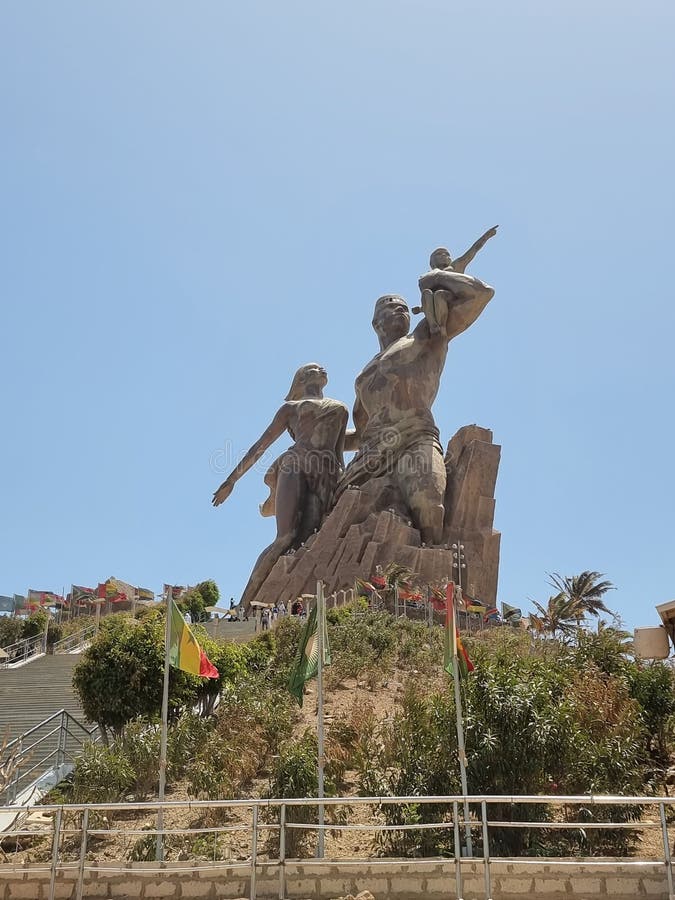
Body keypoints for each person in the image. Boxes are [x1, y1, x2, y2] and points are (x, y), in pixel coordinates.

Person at [338, 266, 495, 546]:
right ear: (376, 323)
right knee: (335, 520)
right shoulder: (363, 376)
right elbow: (360, 433)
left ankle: (433, 579)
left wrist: (434, 278)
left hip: (416, 438)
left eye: (404, 308)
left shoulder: (428, 334)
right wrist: (319, 445)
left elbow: (480, 294)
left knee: (429, 505)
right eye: (390, 307)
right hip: (371, 453)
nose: (400, 310)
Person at [213, 364, 348, 610]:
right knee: (285, 537)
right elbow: (261, 446)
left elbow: (339, 451)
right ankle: (245, 605)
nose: (322, 369)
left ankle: (295, 601)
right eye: (314, 368)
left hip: (328, 471)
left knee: (311, 536)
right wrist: (231, 480)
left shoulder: (340, 408)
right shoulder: (290, 408)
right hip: (296, 464)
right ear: (302, 378)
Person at [413, 227, 498, 334]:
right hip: (433, 303)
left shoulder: (454, 267)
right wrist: (421, 308)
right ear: (432, 261)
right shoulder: (427, 276)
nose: (444, 255)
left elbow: (472, 251)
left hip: (450, 297)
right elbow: (428, 301)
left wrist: (486, 237)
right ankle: (433, 325)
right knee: (426, 293)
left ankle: (442, 326)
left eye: (447, 254)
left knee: (440, 295)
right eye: (439, 254)